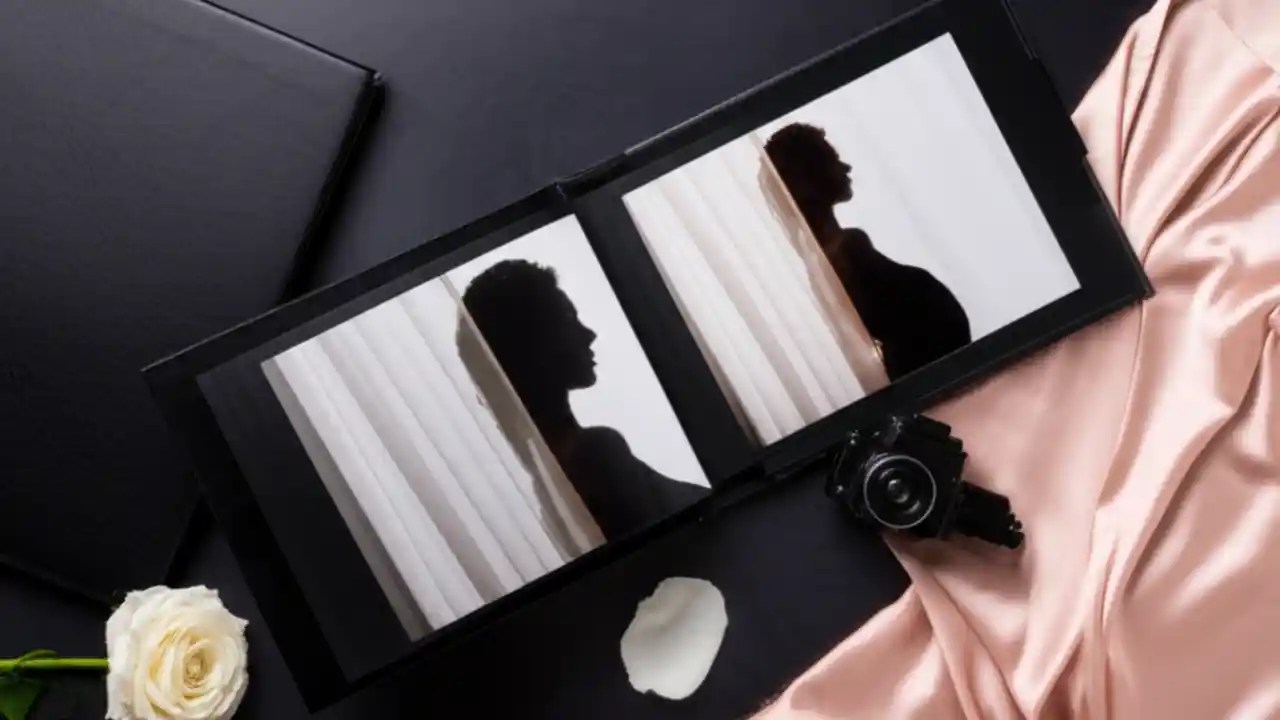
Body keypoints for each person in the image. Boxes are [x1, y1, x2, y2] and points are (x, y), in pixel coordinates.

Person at [460, 259, 706, 540]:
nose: (589, 334)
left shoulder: (548, 481)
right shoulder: (594, 454)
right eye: (567, 319)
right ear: (533, 344)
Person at [765, 122, 972, 380]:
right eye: (832, 159)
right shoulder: (841, 253)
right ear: (806, 177)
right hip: (931, 364)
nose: (846, 167)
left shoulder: (832, 253)